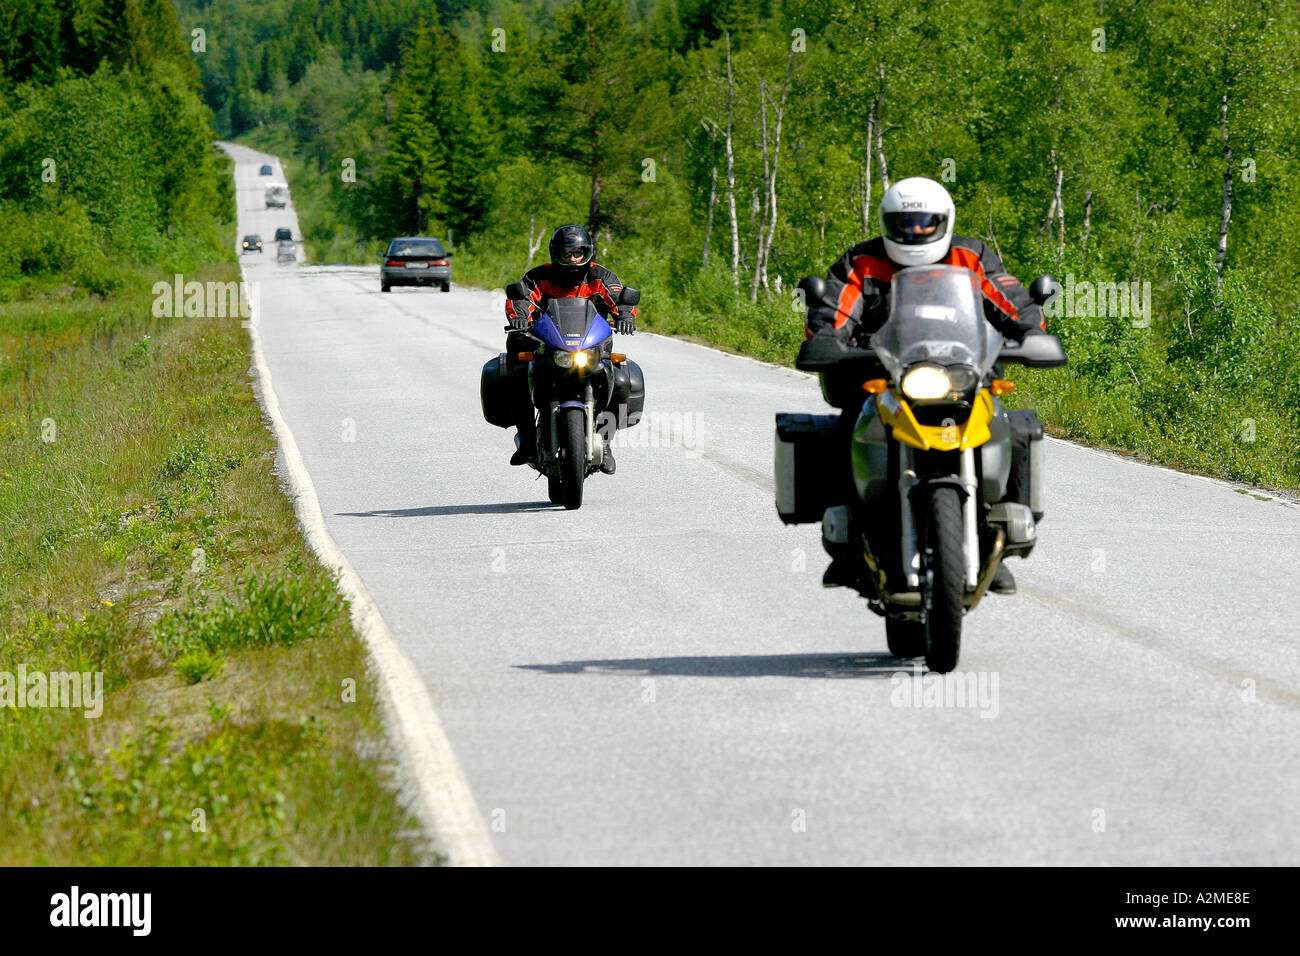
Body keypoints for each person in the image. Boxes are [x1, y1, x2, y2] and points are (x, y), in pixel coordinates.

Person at [805, 176, 1045, 595]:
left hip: (965, 374)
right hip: (885, 377)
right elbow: (838, 304)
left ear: (944, 221)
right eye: (904, 223)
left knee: (1015, 430)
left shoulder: (970, 256)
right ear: (886, 222)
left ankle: (997, 544)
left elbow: (1009, 297)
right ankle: (845, 548)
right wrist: (827, 335)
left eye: (924, 222)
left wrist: (1030, 330)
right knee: (848, 431)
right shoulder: (862, 261)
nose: (914, 231)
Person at [504, 224, 636, 472]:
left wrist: (625, 316)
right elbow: (521, 298)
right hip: (548, 344)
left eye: (577, 252)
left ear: (587, 252)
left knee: (621, 380)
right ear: (556, 253)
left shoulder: (601, 277)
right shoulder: (538, 276)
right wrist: (519, 317)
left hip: (592, 344)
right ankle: (527, 440)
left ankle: (605, 443)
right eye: (566, 253)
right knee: (517, 373)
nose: (572, 258)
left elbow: (618, 297)